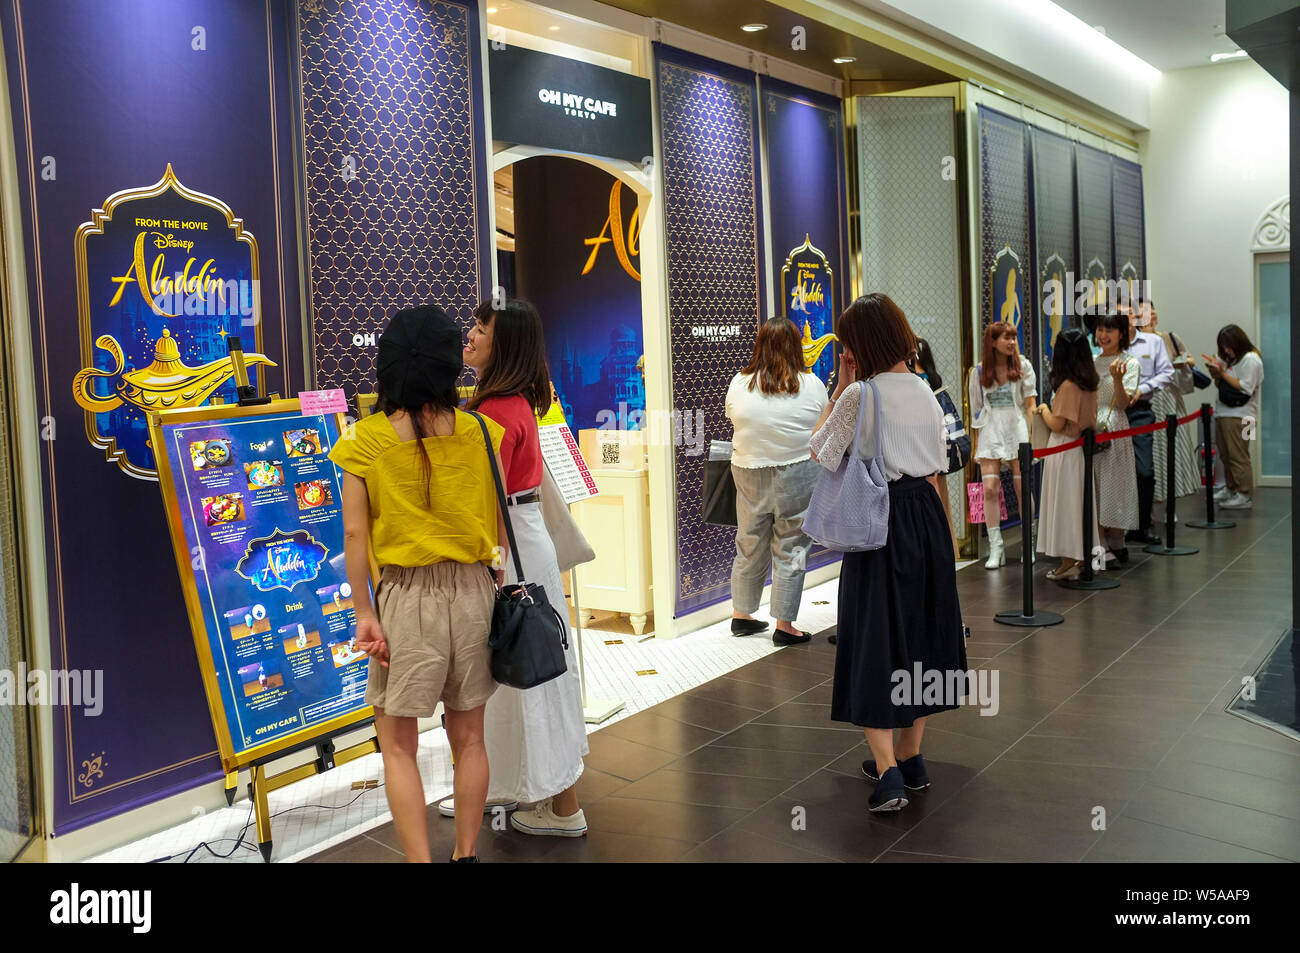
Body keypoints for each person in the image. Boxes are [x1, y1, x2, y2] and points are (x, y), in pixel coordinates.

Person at [331, 305, 508, 863]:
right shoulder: (482, 430)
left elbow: (356, 536)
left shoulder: (367, 440)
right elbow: (495, 520)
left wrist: (364, 611)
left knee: (399, 746)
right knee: (471, 740)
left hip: (406, 599)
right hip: (474, 592)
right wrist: (491, 574)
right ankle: (465, 855)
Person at [809, 294, 966, 813]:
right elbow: (940, 468)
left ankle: (887, 772)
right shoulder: (925, 390)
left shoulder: (860, 394)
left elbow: (821, 451)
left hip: (881, 523)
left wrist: (838, 386)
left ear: (859, 344)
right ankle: (911, 756)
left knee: (875, 640)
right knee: (919, 636)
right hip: (925, 517)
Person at [459, 297, 590, 837]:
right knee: (534, 670)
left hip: (507, 551)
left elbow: (485, 500)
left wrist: (485, 566)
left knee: (523, 672)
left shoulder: (492, 412)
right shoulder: (515, 403)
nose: (469, 335)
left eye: (480, 329)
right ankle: (517, 791)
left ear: (503, 342)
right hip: (525, 541)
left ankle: (559, 805)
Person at [725, 316, 827, 645]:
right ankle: (785, 623)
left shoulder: (740, 382)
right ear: (797, 346)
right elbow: (824, 422)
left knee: (749, 541)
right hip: (797, 471)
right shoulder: (811, 384)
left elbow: (731, 415)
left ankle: (742, 616)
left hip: (748, 470)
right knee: (792, 546)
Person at [1033, 328, 1101, 581]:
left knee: (1064, 505)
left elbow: (1057, 424)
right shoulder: (1090, 382)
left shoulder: (1068, 386)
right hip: (1078, 451)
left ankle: (1067, 560)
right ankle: (1083, 555)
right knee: (1078, 503)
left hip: (1063, 449)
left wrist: (1043, 409)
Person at [967, 321, 1037, 569]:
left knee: (1021, 487)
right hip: (990, 430)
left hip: (1017, 429)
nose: (1011, 342)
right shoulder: (978, 371)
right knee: (990, 488)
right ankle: (996, 547)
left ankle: (1028, 541)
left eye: (1014, 338)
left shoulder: (1024, 366)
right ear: (993, 342)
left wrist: (1031, 438)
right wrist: (977, 446)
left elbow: (1030, 405)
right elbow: (976, 412)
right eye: (1006, 338)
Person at [1122, 303, 1174, 545]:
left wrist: (1142, 388)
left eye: (1129, 314)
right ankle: (1113, 529)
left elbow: (1166, 373)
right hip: (1110, 410)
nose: (1126, 318)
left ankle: (1142, 525)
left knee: (1144, 470)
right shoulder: (1104, 342)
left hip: (1140, 410)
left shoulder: (1153, 342)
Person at [1091, 312, 1140, 562]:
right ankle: (1101, 544)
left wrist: (1118, 380)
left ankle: (1117, 540)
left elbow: (1122, 404)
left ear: (1121, 333)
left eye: (1109, 330)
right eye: (1100, 329)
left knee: (1116, 485)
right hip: (1092, 427)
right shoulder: (1091, 361)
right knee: (1095, 486)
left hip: (1116, 427)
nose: (1103, 335)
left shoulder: (1129, 363)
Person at [1144, 302, 1202, 504]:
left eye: (1152, 311)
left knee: (1172, 449)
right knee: (1150, 453)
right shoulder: (1133, 341)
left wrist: (1184, 361)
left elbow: (1190, 359)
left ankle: (1170, 502)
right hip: (1147, 399)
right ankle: (1149, 504)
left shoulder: (1169, 338)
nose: (1151, 315)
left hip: (1168, 398)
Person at [1203, 324, 1263, 510]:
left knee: (1239, 455)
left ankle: (1244, 493)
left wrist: (1222, 374)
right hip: (1226, 413)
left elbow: (1245, 387)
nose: (1226, 350)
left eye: (1228, 346)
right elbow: (1225, 387)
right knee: (1226, 454)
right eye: (1223, 347)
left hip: (1242, 416)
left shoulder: (1251, 359)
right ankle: (1231, 488)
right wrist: (1218, 374)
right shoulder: (1234, 360)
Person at [913, 337, 962, 559]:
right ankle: (943, 555)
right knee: (939, 511)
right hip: (932, 457)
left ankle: (937, 557)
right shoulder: (932, 380)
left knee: (932, 513)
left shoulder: (918, 381)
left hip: (924, 459)